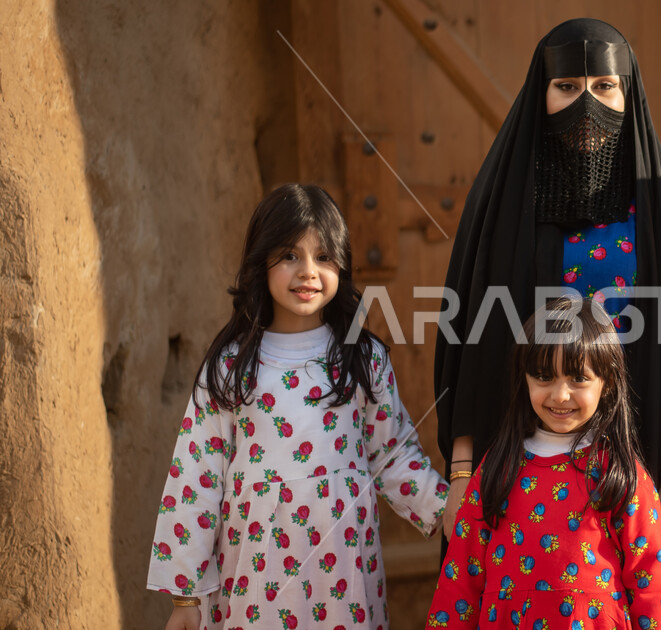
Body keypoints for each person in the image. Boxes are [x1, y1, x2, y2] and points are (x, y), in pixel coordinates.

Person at [434, 17, 661, 628]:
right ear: (541, 93)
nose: (585, 103)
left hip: (631, 468)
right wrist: (462, 474)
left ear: (628, 94)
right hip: (521, 466)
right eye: (566, 86)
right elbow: (475, 350)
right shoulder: (503, 204)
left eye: (603, 86)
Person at [147, 184, 447, 630]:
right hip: (256, 577)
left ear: (341, 265)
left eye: (323, 257)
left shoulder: (361, 358)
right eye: (290, 255)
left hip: (344, 570)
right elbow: (197, 474)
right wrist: (185, 597)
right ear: (261, 262)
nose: (308, 271)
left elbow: (393, 454)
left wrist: (451, 510)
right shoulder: (230, 367)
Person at [427, 298, 661, 629]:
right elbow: (460, 577)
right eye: (544, 377)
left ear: (607, 383)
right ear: (524, 379)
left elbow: (652, 585)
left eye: (578, 379)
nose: (560, 395)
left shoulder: (620, 474)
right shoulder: (497, 467)